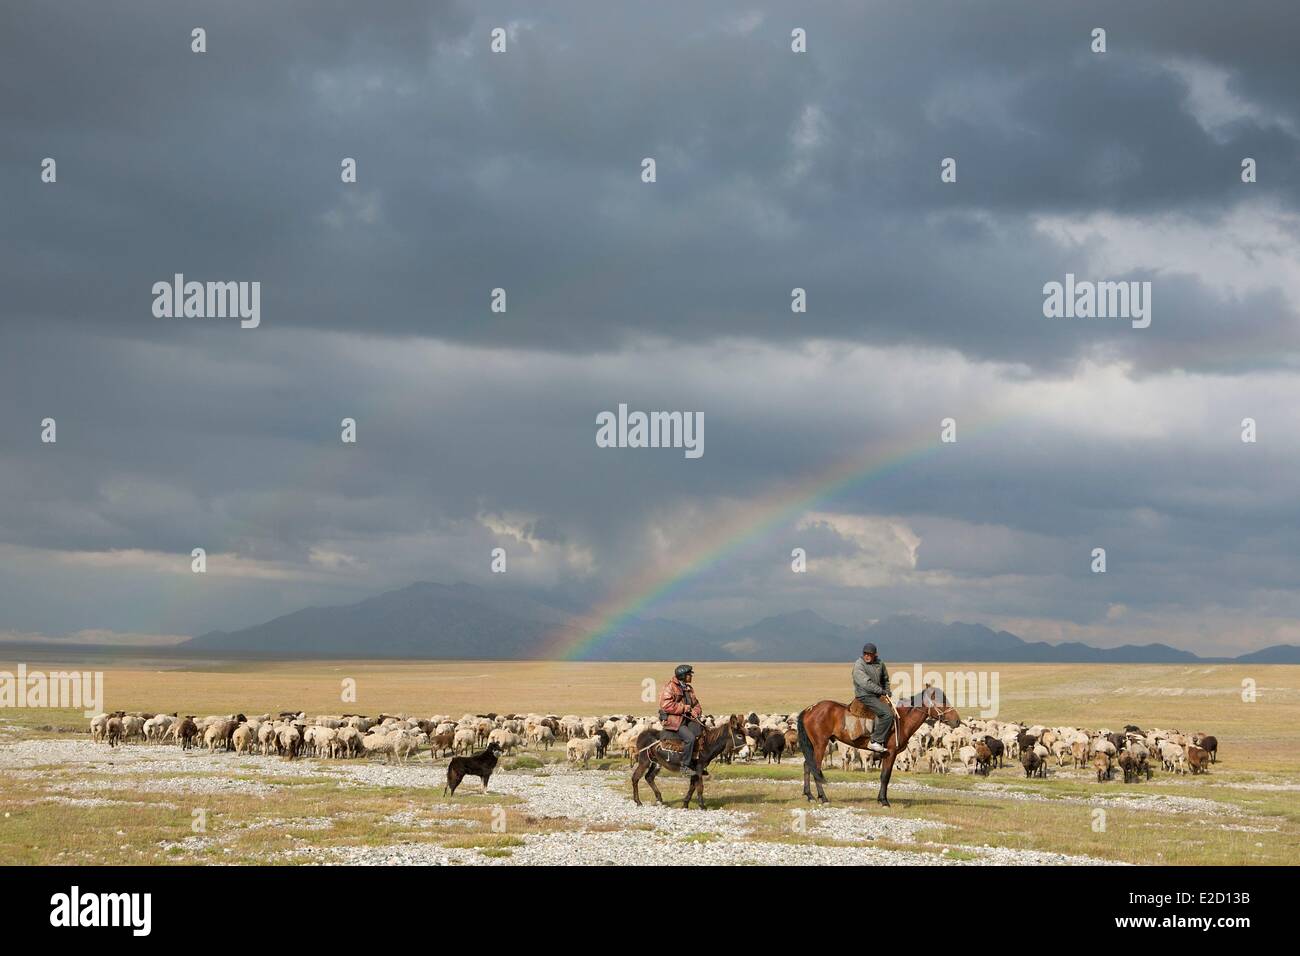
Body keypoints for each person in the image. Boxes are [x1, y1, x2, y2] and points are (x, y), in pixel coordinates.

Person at [659, 664, 704, 773]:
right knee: (690, 738)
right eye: (689, 675)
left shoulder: (688, 688)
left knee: (703, 734)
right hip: (676, 721)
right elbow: (665, 705)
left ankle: (698, 763)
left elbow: (696, 704)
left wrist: (696, 711)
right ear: (683, 676)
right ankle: (685, 765)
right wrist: (684, 708)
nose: (691, 677)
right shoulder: (670, 687)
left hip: (688, 719)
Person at [852, 643, 892, 753]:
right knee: (887, 714)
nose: (867, 656)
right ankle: (875, 741)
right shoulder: (859, 665)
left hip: (878, 695)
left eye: (870, 654)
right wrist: (882, 691)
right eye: (865, 654)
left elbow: (885, 679)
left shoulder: (880, 663)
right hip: (865, 695)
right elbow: (866, 684)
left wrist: (887, 691)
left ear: (875, 654)